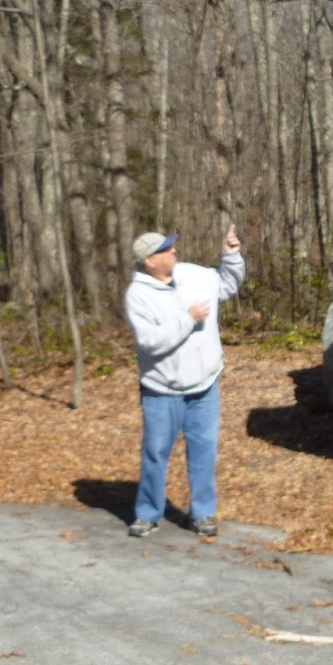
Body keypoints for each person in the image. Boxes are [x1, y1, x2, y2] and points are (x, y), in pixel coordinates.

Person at [123, 224, 244, 538]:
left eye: (171, 246)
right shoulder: (138, 295)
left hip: (205, 385)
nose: (173, 250)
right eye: (165, 249)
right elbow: (150, 342)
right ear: (149, 261)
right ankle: (148, 514)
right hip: (161, 392)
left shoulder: (193, 274)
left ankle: (202, 513)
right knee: (155, 454)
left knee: (204, 452)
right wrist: (188, 318)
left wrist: (230, 256)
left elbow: (226, 284)